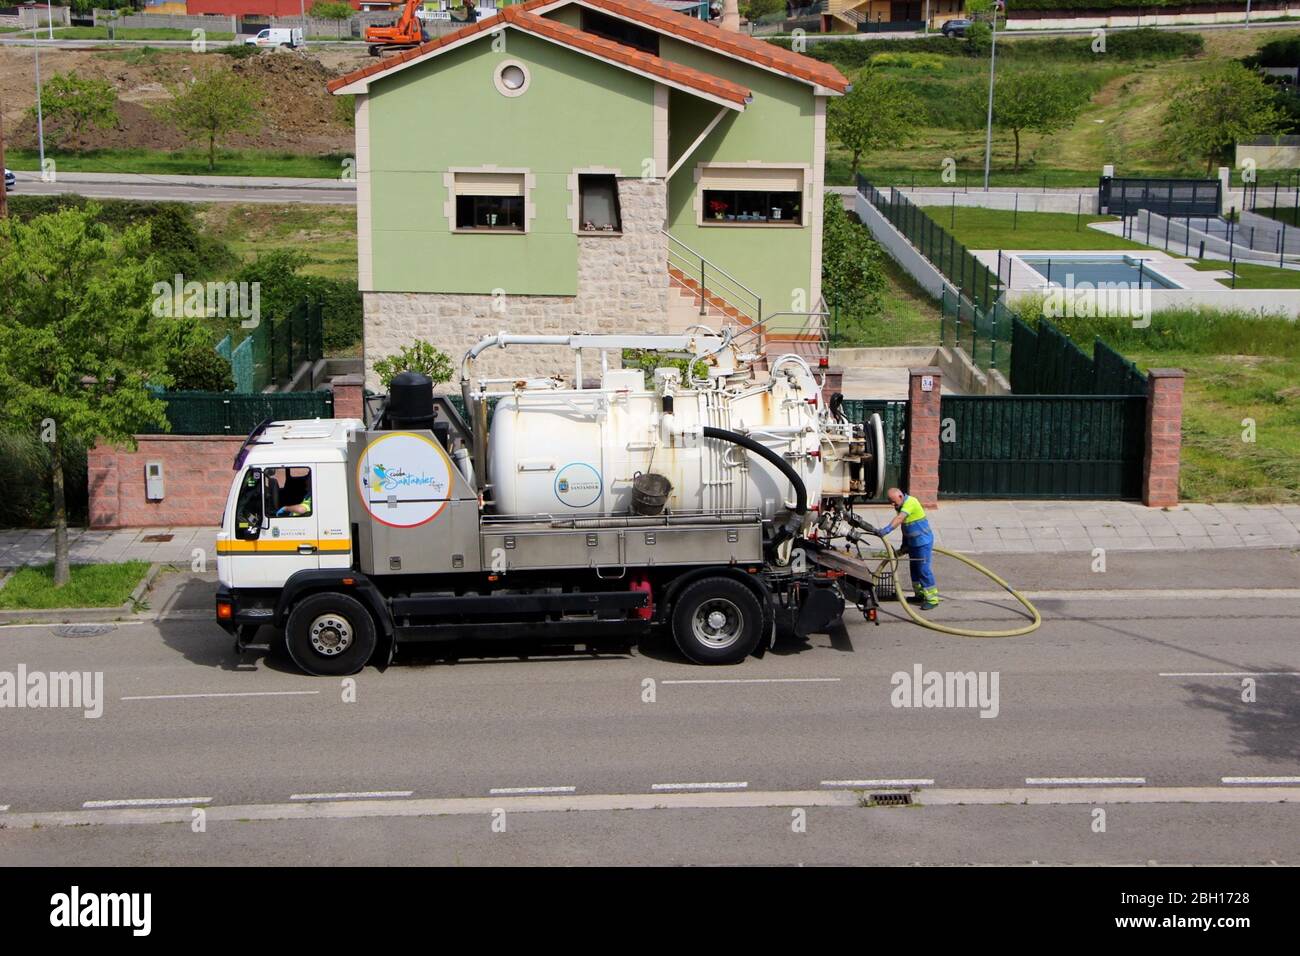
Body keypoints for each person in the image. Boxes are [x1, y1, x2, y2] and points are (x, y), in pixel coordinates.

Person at [878, 487, 940, 610]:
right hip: (913, 543)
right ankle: (920, 595)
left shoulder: (911, 502)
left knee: (923, 570)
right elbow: (905, 526)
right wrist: (904, 544)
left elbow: (900, 519)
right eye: (890, 502)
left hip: (923, 542)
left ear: (900, 496)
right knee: (914, 570)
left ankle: (932, 599)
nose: (892, 504)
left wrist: (886, 530)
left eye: (893, 501)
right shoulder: (900, 506)